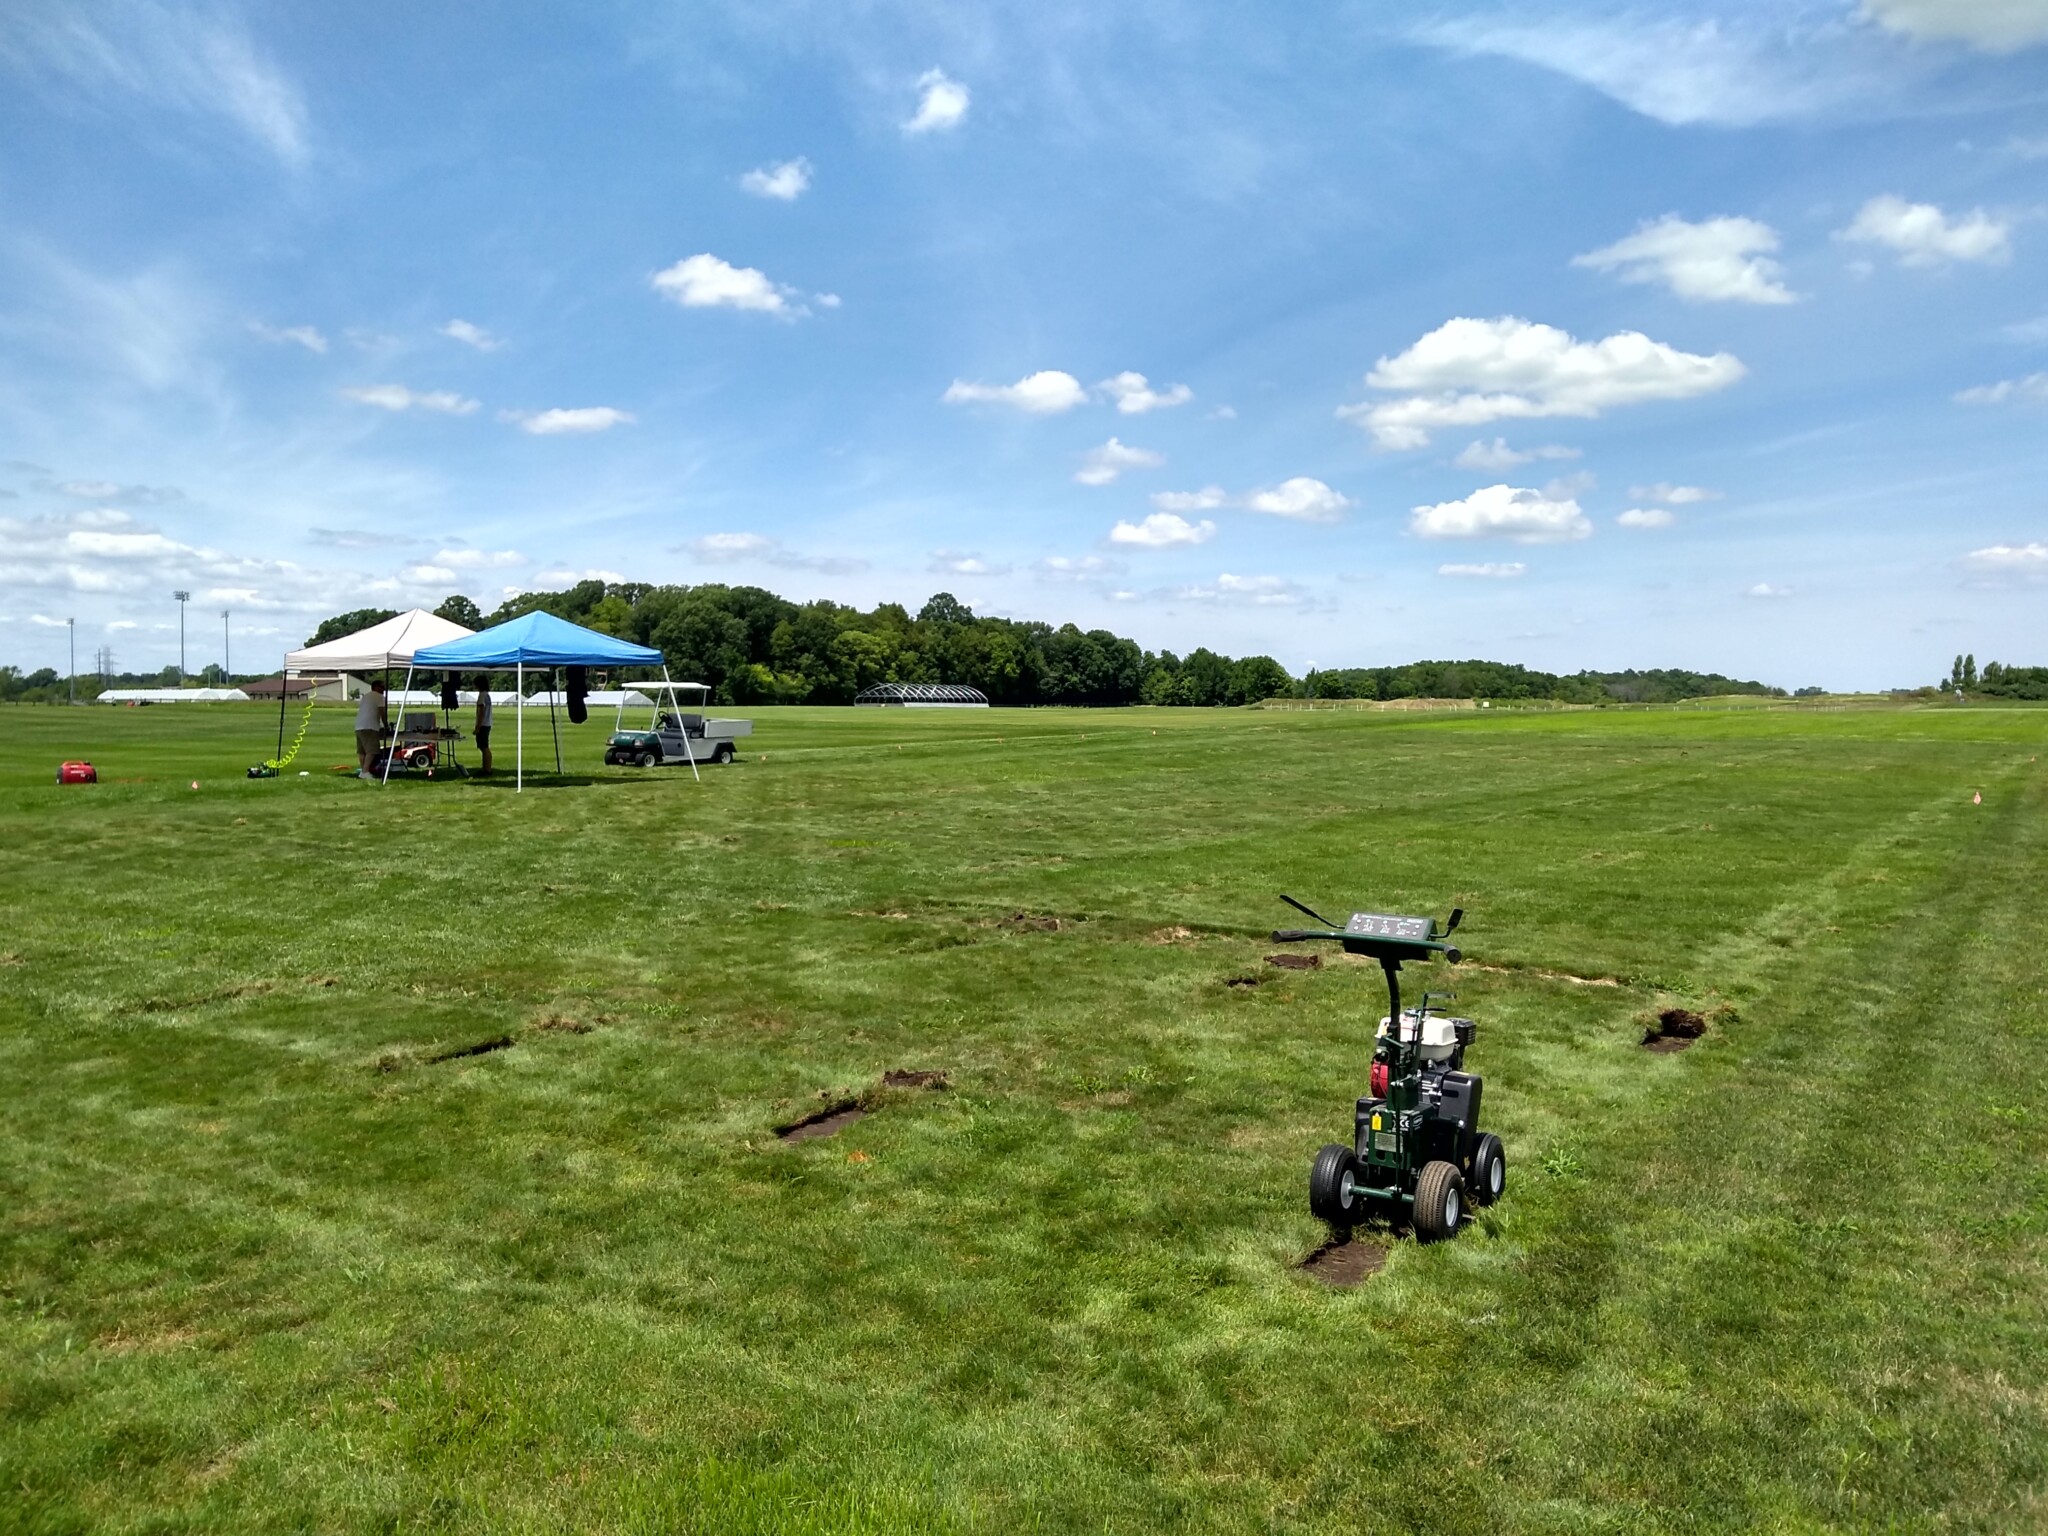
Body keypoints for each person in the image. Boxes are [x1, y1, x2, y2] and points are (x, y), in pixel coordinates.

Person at [355, 678, 387, 779]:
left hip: (359, 726)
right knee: (372, 751)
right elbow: (382, 712)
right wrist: (386, 725)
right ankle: (365, 771)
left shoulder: (366, 696)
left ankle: (364, 771)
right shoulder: (379, 697)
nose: (384, 689)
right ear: (376, 687)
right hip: (370, 726)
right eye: (382, 687)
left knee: (362, 751)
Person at [472, 675, 494, 774]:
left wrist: (478, 726)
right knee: (484, 746)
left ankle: (486, 769)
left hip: (483, 724)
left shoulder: (482, 696)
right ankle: (486, 768)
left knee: (484, 747)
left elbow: (481, 712)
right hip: (487, 723)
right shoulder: (487, 695)